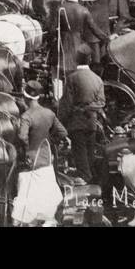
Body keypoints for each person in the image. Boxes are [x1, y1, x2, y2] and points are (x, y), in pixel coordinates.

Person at [58, 52, 105, 184]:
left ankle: (85, 178)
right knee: (90, 151)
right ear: (89, 60)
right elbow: (102, 102)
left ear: (76, 60)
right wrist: (89, 108)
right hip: (92, 122)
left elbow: (66, 103)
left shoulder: (72, 78)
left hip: (76, 121)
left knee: (80, 152)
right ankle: (91, 178)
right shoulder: (97, 79)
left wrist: (61, 120)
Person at [17, 82, 68, 170]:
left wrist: (27, 149)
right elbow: (63, 133)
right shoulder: (49, 113)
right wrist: (50, 141)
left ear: (25, 98)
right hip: (47, 155)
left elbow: (22, 136)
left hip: (32, 158)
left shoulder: (26, 116)